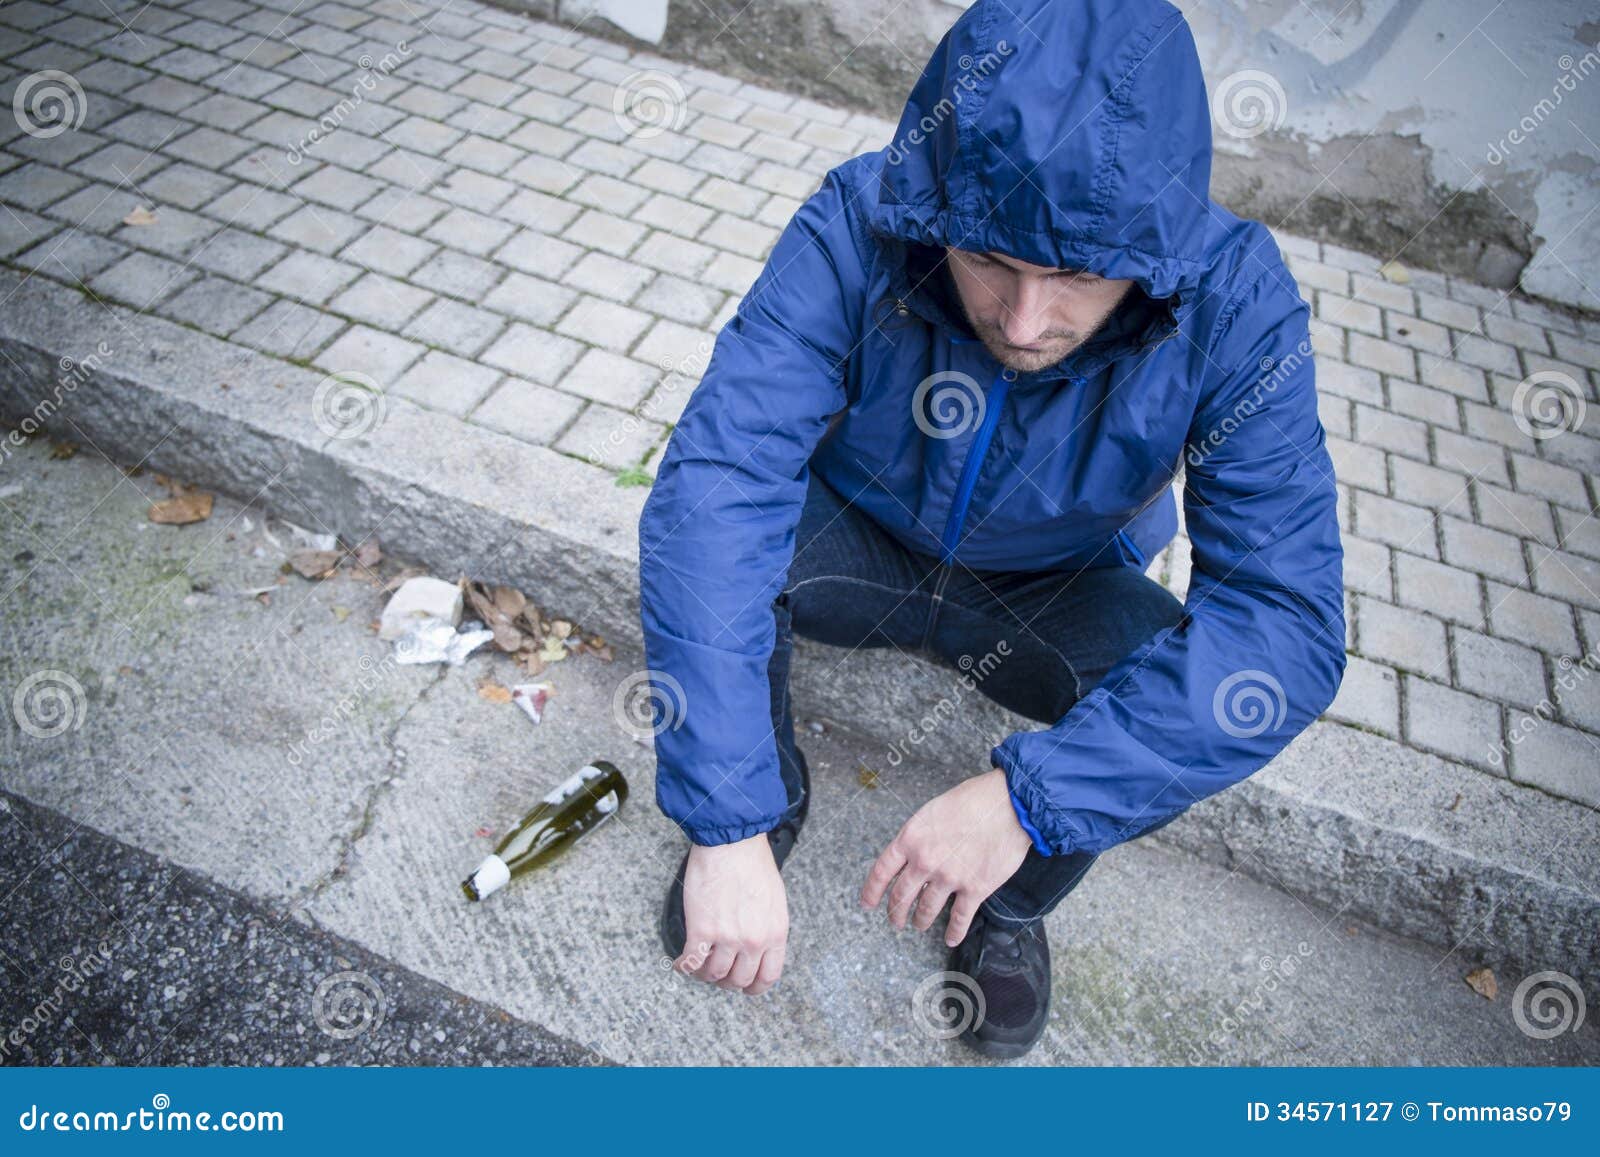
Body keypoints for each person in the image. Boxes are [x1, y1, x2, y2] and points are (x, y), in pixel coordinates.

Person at [636, 0, 1346, 1060]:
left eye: (1076, 276)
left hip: (1053, 582)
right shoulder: (858, 216)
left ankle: (1009, 901)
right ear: (939, 208)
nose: (1024, 323)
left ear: (1152, 255)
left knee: (1167, 673)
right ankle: (769, 795)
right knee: (730, 538)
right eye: (990, 263)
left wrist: (1033, 797)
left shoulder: (1233, 297)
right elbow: (718, 484)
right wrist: (721, 819)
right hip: (861, 534)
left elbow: (1284, 624)